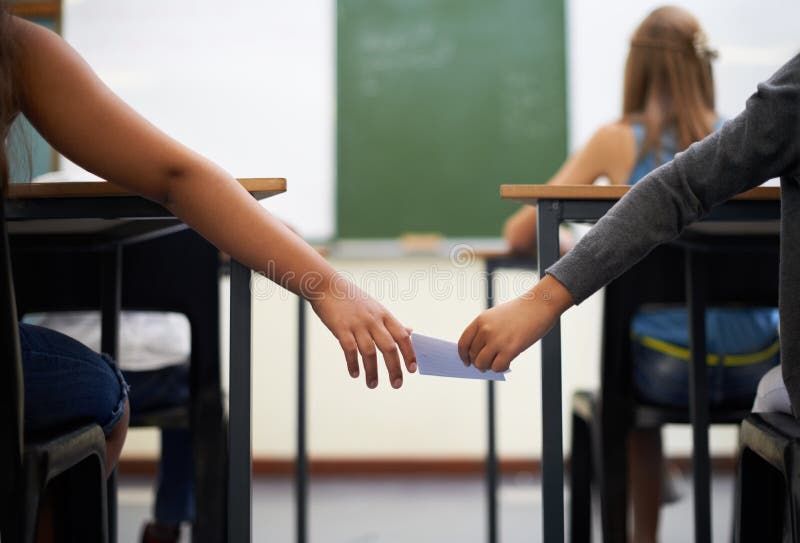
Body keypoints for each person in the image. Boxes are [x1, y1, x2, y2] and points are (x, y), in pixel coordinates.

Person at [0, 6, 416, 542]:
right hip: (144, 373)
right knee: (112, 391)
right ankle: (166, 519)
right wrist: (327, 285)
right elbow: (178, 176)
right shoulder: (17, 48)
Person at [460, 46, 800, 543]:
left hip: (661, 371)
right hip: (756, 356)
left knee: (625, 379)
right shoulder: (738, 128)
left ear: (635, 70)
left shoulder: (760, 119)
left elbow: (521, 230)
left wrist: (568, 255)